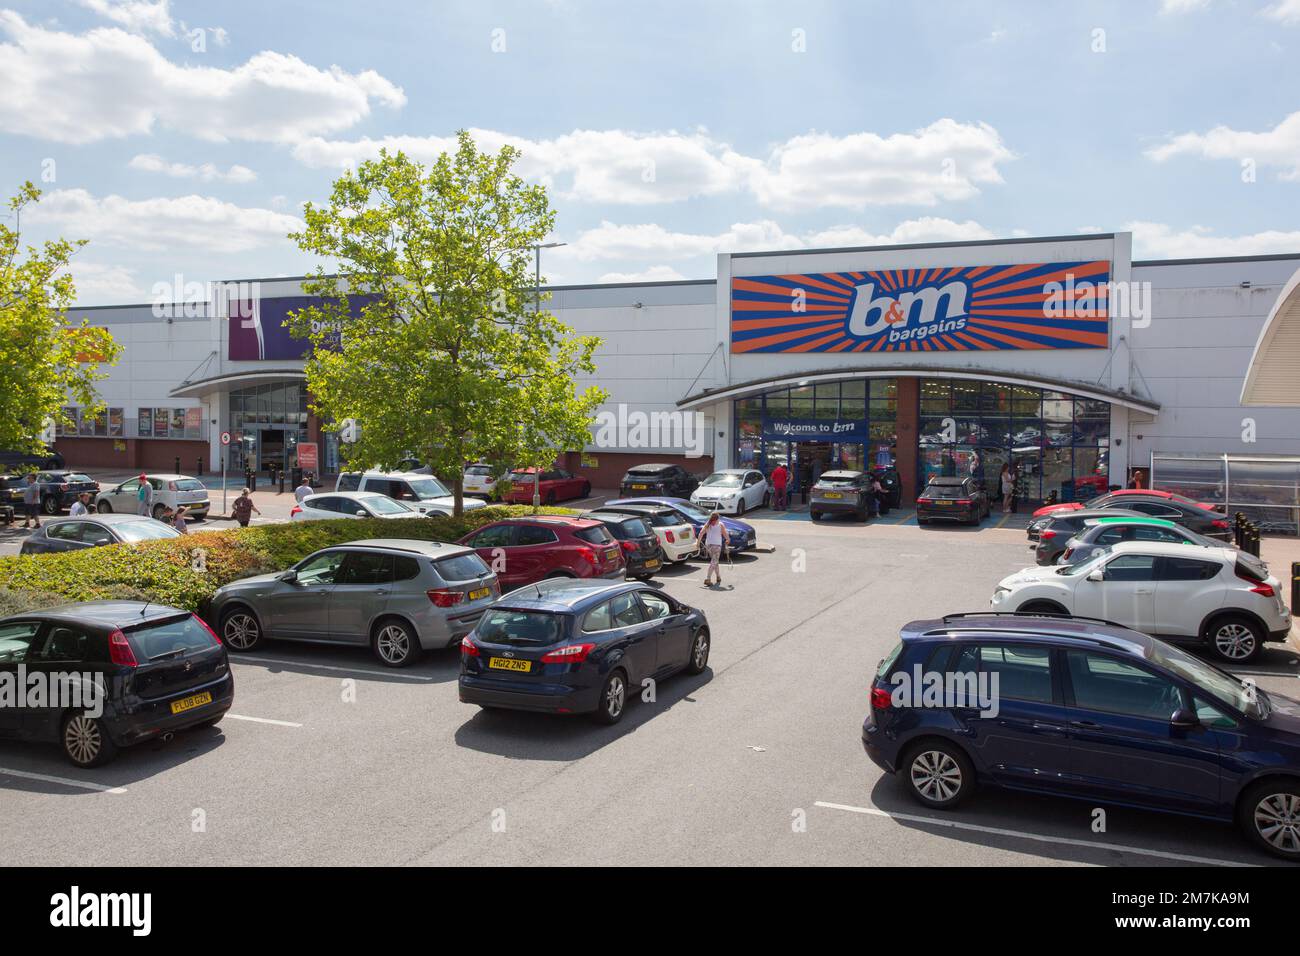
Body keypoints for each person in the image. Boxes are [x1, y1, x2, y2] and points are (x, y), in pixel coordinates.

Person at [696, 511, 729, 588]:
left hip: (708, 546)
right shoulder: (720, 525)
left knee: (715, 562)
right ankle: (708, 578)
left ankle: (718, 577)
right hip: (717, 546)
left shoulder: (707, 524)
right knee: (714, 561)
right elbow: (725, 534)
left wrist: (698, 543)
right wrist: (728, 540)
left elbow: (701, 533)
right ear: (717, 519)